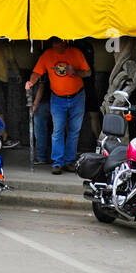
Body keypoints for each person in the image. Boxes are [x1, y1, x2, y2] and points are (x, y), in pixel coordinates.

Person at [25, 38, 90, 175]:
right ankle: (57, 163)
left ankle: (69, 162)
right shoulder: (48, 55)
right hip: (58, 99)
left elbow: (88, 72)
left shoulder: (75, 53)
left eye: (58, 42)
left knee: (74, 131)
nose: (56, 45)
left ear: (64, 42)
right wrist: (31, 82)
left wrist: (76, 71)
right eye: (54, 43)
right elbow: (37, 72)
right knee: (58, 131)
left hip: (77, 96)